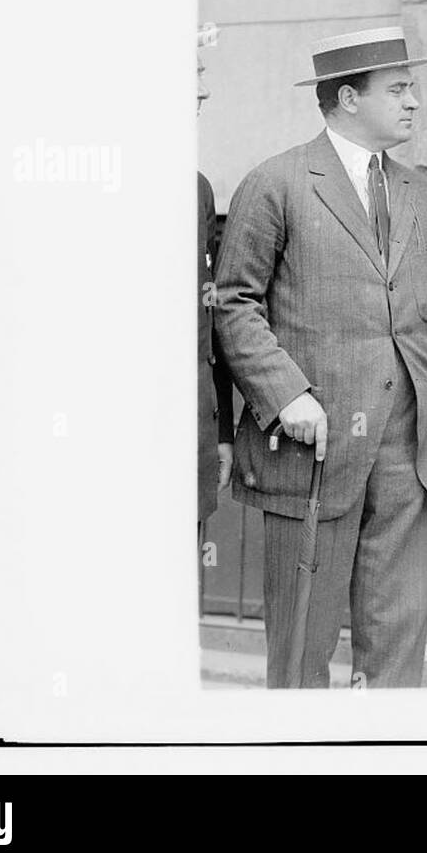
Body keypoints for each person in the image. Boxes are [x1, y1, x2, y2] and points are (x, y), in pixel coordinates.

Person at [214, 26, 427, 689]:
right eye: (399, 89)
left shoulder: (421, 194)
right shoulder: (275, 184)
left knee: (398, 645)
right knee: (302, 646)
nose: (414, 101)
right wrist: (286, 394)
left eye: (410, 87)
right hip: (314, 446)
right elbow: (234, 303)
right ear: (349, 98)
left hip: (410, 449)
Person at [197, 32, 233, 538]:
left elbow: (212, 322)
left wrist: (221, 430)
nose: (202, 92)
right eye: (193, 77)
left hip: (191, 442)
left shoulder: (195, 188)